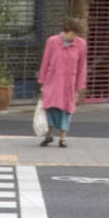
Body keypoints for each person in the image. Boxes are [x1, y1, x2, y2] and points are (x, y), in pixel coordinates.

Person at [37, 17, 88, 148]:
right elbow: (45, 61)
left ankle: (63, 138)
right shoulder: (52, 41)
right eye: (73, 33)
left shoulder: (81, 44)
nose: (75, 37)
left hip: (69, 83)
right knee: (50, 108)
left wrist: (80, 84)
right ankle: (49, 135)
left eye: (77, 34)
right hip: (52, 80)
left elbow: (82, 65)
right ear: (67, 31)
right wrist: (42, 81)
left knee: (67, 109)